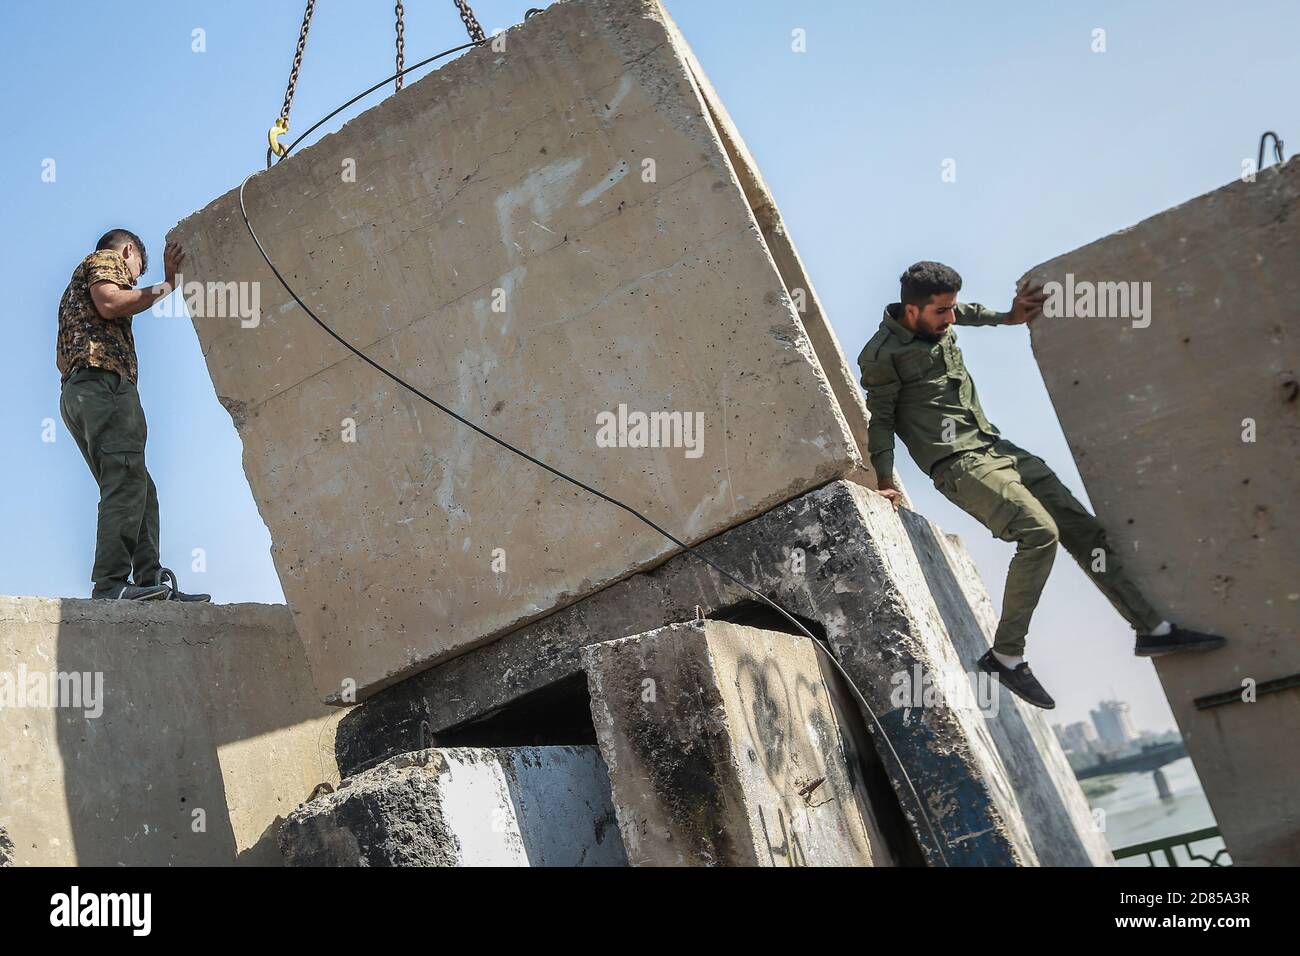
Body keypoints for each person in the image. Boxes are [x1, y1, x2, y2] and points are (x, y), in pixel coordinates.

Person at [857, 261, 1224, 709]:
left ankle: (1153, 631)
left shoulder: (942, 320)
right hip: (958, 464)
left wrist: (1006, 318)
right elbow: (882, 419)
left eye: (952, 310)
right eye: (942, 312)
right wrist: (885, 479)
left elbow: (967, 311)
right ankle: (1007, 655)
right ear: (912, 311)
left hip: (996, 446)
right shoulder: (881, 355)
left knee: (1082, 530)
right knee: (1038, 534)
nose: (951, 319)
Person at [57, 229, 210, 602]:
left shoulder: (70, 299)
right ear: (128, 251)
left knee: (138, 486)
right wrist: (168, 285)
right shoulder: (105, 260)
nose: (135, 279)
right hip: (104, 383)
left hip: (80, 391)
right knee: (126, 481)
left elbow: (60, 359)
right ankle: (110, 583)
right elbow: (111, 303)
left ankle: (148, 581)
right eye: (137, 268)